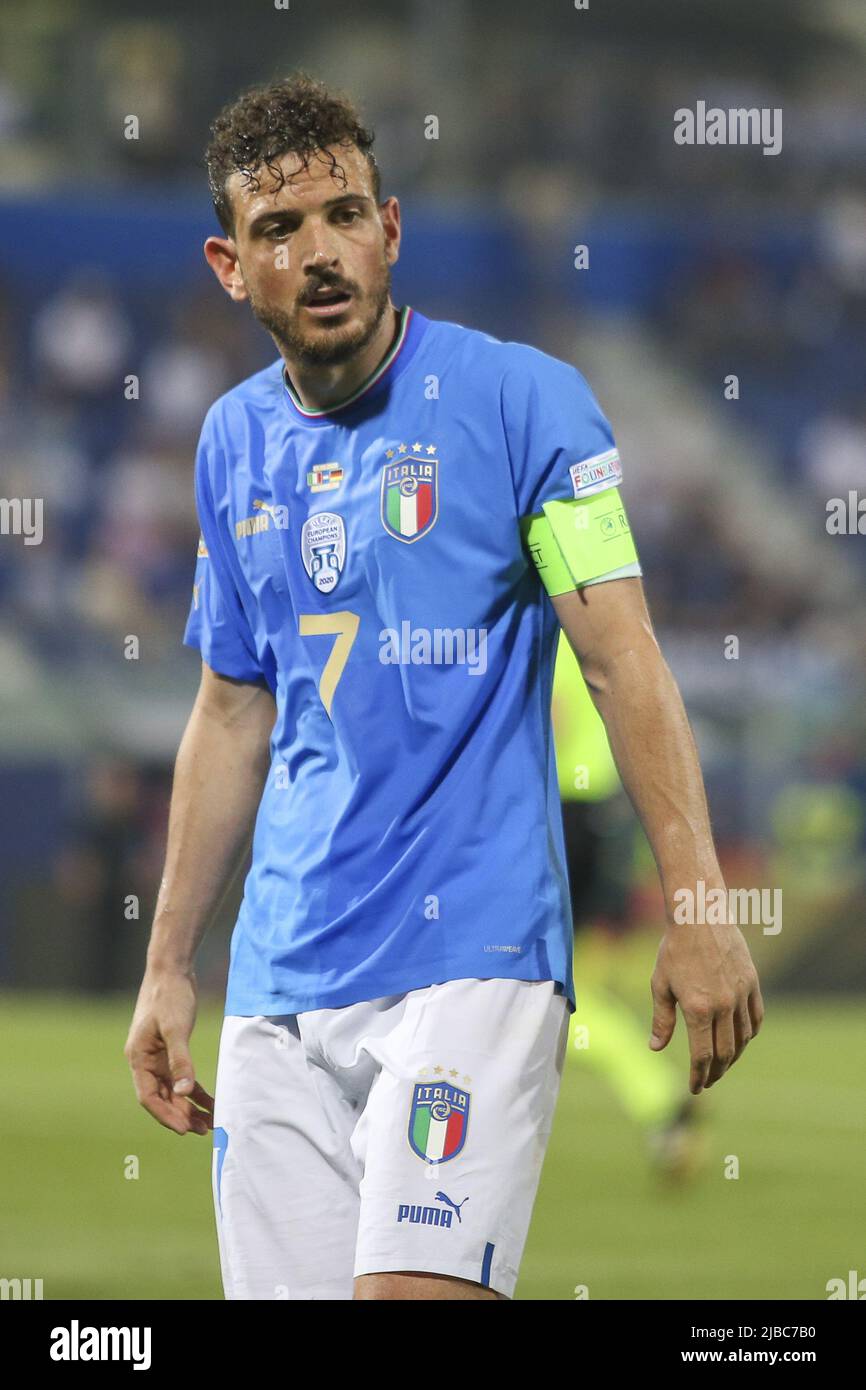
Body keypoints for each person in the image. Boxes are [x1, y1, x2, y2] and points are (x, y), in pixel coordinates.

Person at [125, 72, 763, 1302]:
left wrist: (699, 900)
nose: (319, 253)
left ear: (390, 228)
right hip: (279, 984)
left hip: (472, 956)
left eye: (343, 216)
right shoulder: (230, 444)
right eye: (278, 229)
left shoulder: (524, 403)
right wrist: (168, 964)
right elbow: (228, 709)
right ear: (227, 263)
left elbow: (621, 653)